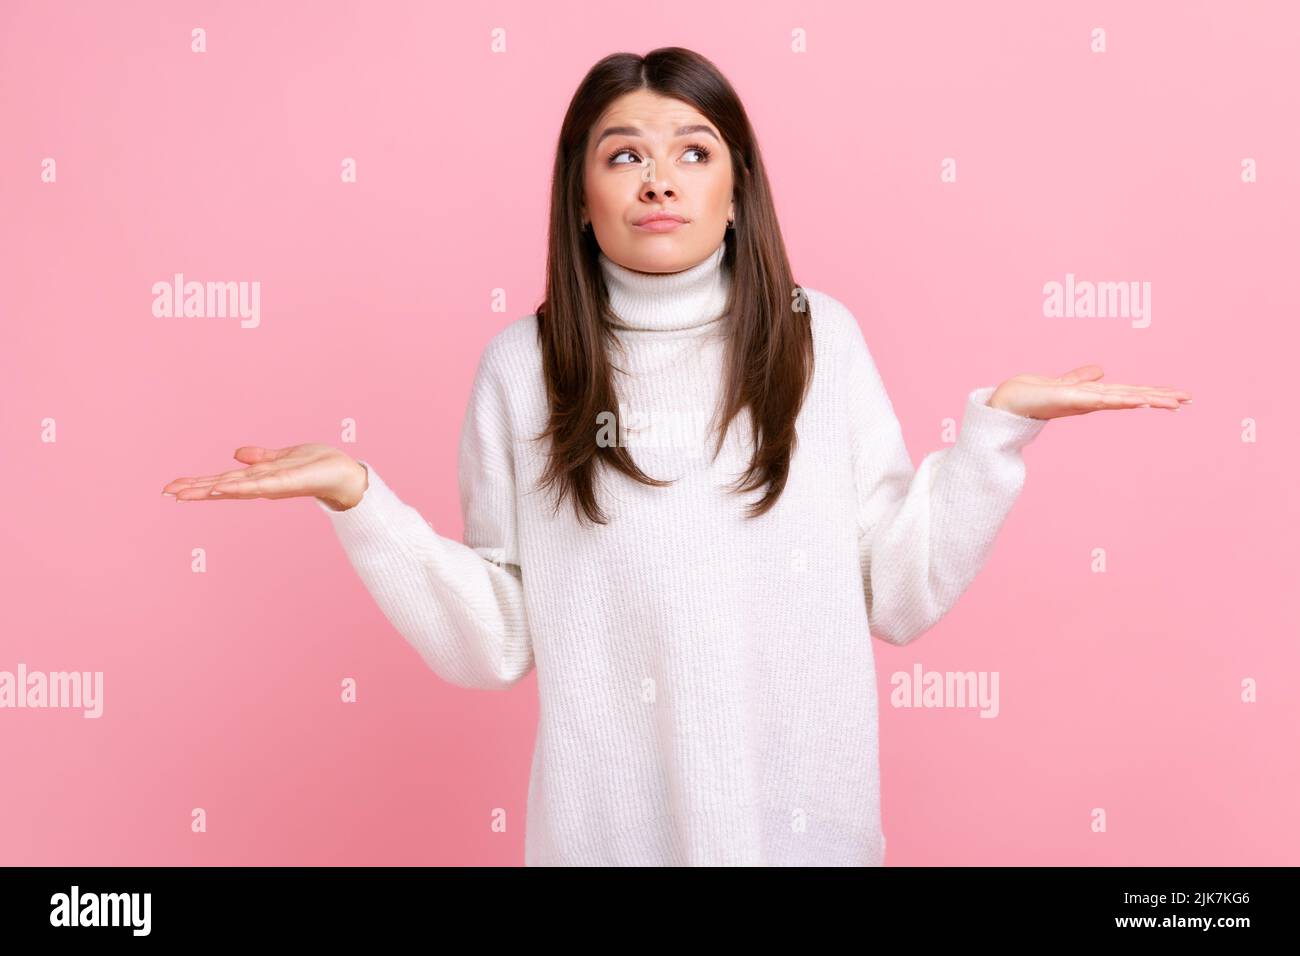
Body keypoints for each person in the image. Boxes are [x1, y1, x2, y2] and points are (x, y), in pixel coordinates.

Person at [162, 47, 1191, 866]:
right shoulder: (522, 366)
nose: (659, 179)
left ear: (739, 189)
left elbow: (897, 593)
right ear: (579, 196)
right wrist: (360, 501)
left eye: (694, 152)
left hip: (804, 839)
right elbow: (493, 640)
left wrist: (993, 437)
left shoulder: (814, 335)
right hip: (603, 842)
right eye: (622, 154)